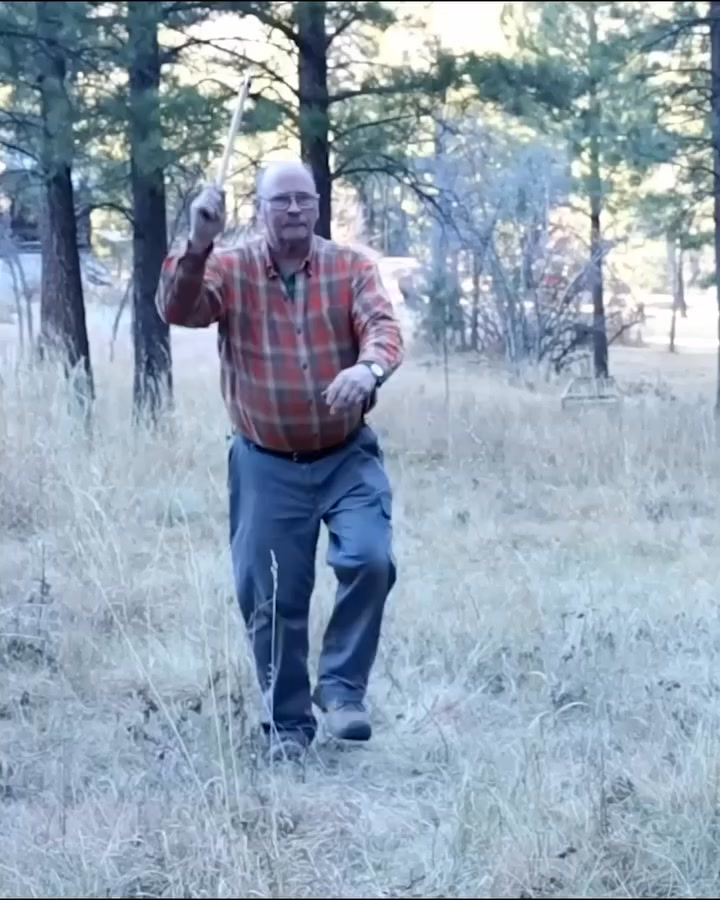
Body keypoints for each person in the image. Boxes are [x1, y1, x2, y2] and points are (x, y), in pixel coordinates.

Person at [155, 158, 404, 761]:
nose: (294, 209)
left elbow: (383, 328)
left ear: (317, 205)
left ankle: (341, 690)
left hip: (346, 456)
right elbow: (178, 309)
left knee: (370, 559)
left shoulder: (350, 267)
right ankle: (287, 729)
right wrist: (198, 242)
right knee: (269, 597)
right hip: (265, 462)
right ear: (259, 208)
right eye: (281, 200)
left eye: (304, 199)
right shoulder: (230, 267)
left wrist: (368, 369)